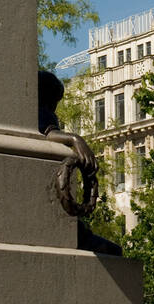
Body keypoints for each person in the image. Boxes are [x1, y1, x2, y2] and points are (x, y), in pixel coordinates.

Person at [37, 70, 121, 255]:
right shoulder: (41, 111)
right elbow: (47, 133)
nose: (55, 109)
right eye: (54, 102)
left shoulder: (42, 111)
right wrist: (75, 140)